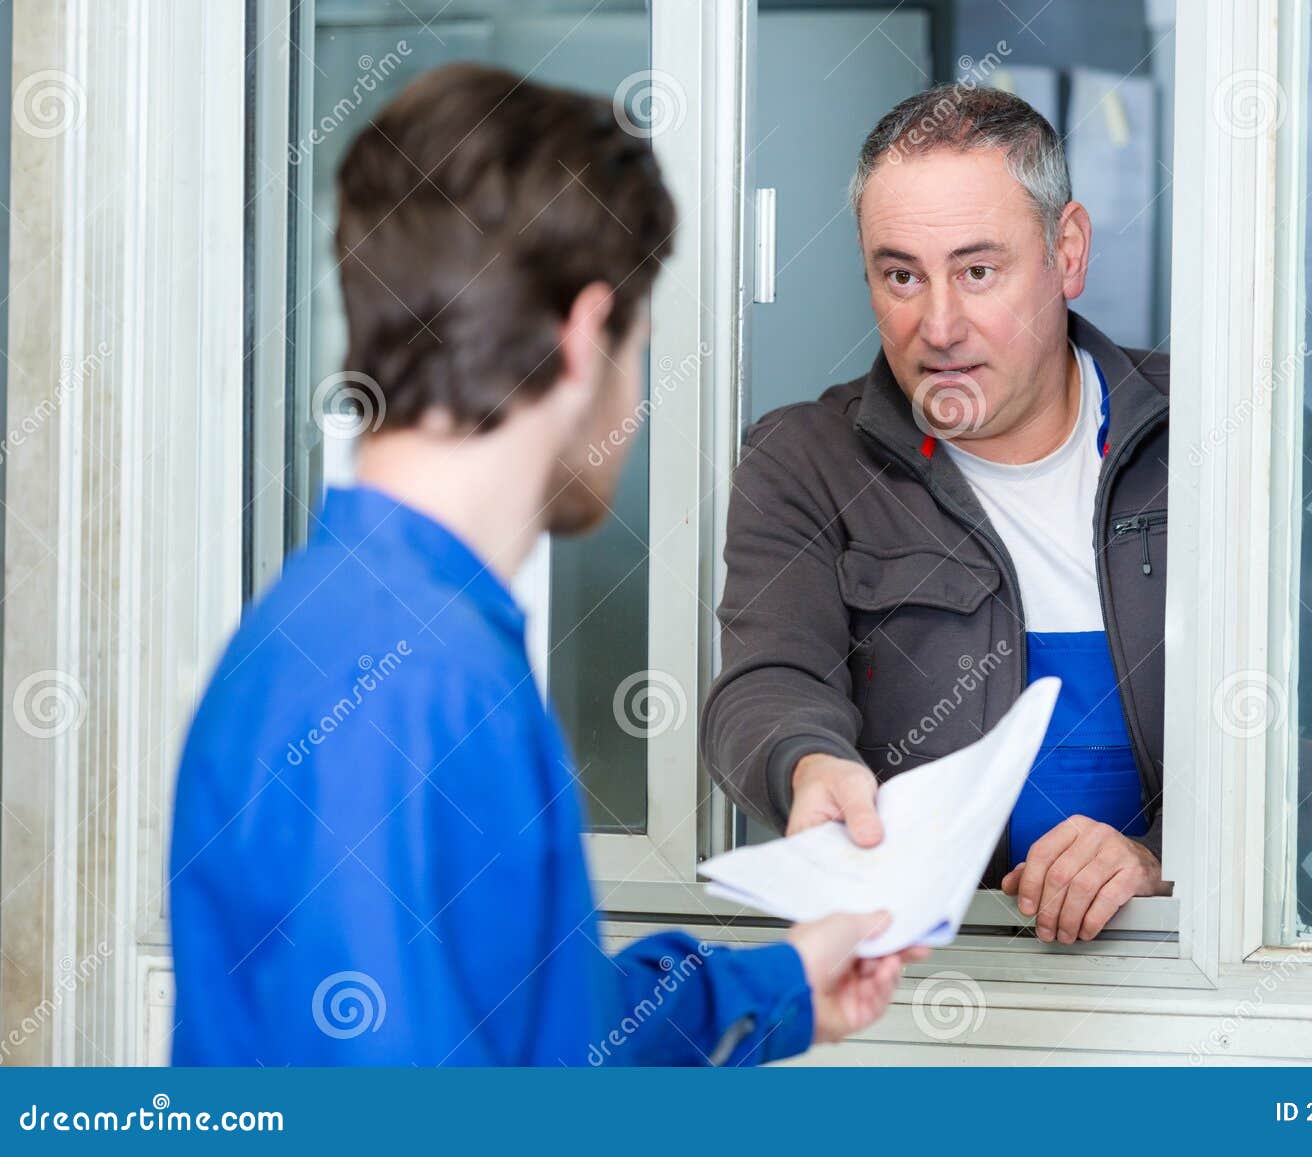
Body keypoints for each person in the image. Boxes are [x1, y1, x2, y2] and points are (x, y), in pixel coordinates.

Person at [168, 63, 920, 1067]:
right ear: (580, 339)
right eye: (637, 346)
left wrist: (778, 984)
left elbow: (535, 1024)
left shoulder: (366, 629)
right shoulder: (411, 681)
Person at [702, 83, 1174, 945]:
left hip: (1190, 975)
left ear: (1067, 252)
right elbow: (768, 680)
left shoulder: (1213, 435)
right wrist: (806, 764)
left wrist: (1165, 857)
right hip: (929, 983)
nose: (939, 326)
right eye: (901, 276)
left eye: (978, 270)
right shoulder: (805, 461)